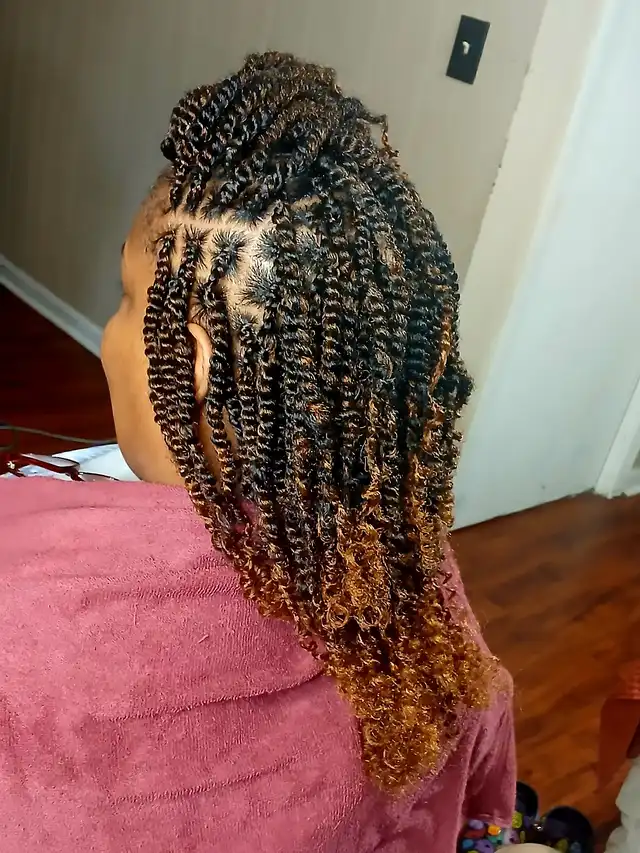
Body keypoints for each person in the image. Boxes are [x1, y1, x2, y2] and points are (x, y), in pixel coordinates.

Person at [0, 52, 515, 852]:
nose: (108, 334)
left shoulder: (29, 599)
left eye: (128, 301)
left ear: (194, 362)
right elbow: (479, 741)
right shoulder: (405, 558)